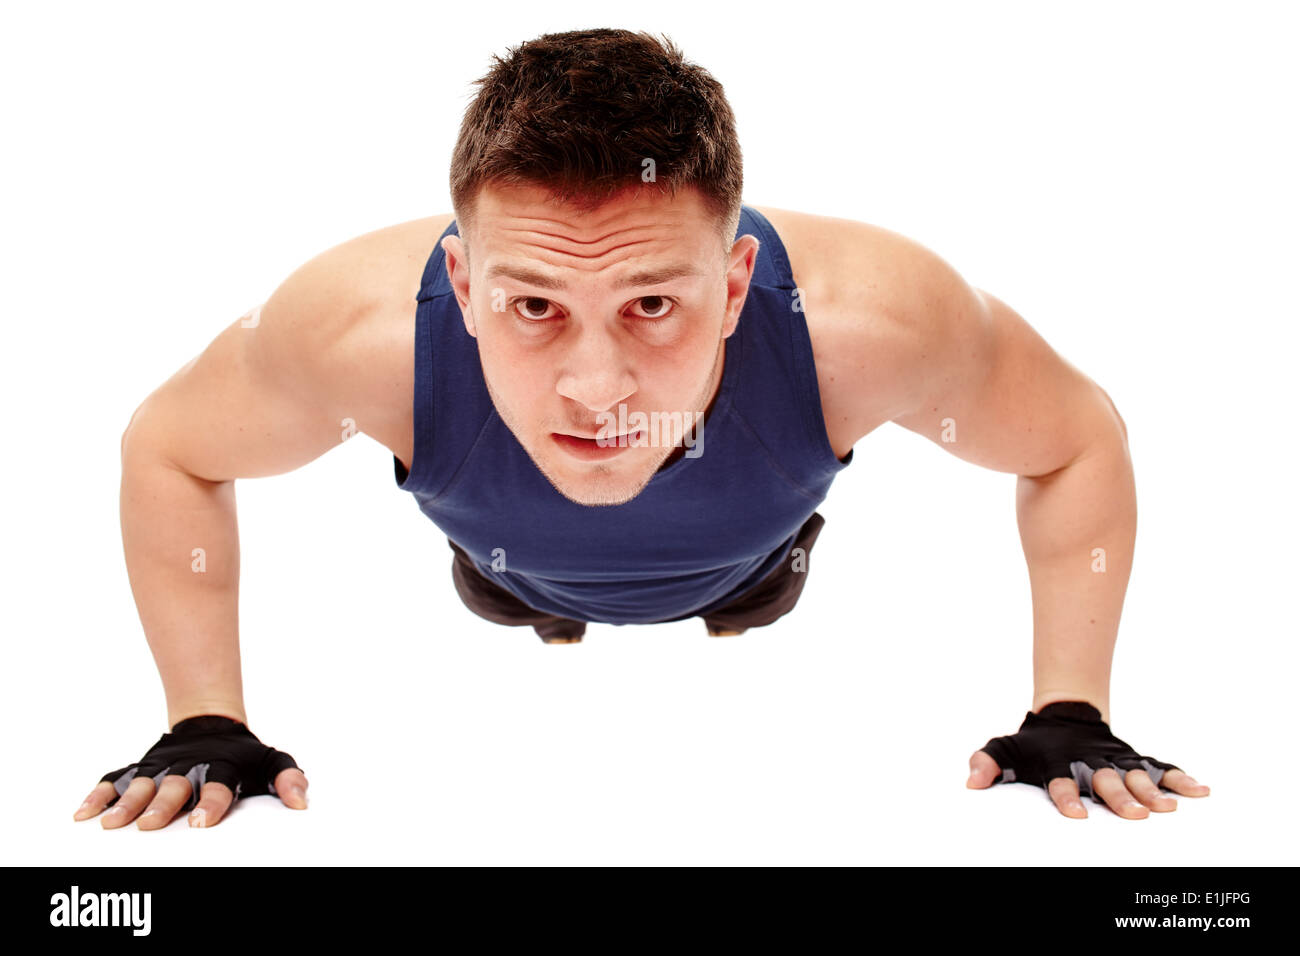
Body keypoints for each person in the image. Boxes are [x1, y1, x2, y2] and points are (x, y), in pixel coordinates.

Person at [73, 27, 1210, 832]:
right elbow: (168, 449)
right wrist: (204, 719)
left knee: (750, 590)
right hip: (506, 562)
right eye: (532, 306)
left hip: (755, 550)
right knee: (518, 591)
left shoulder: (875, 324)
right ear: (460, 286)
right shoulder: (352, 334)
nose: (594, 385)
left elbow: (1076, 438)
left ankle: (739, 590)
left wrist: (1071, 706)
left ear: (736, 277)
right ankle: (544, 605)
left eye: (651, 304)